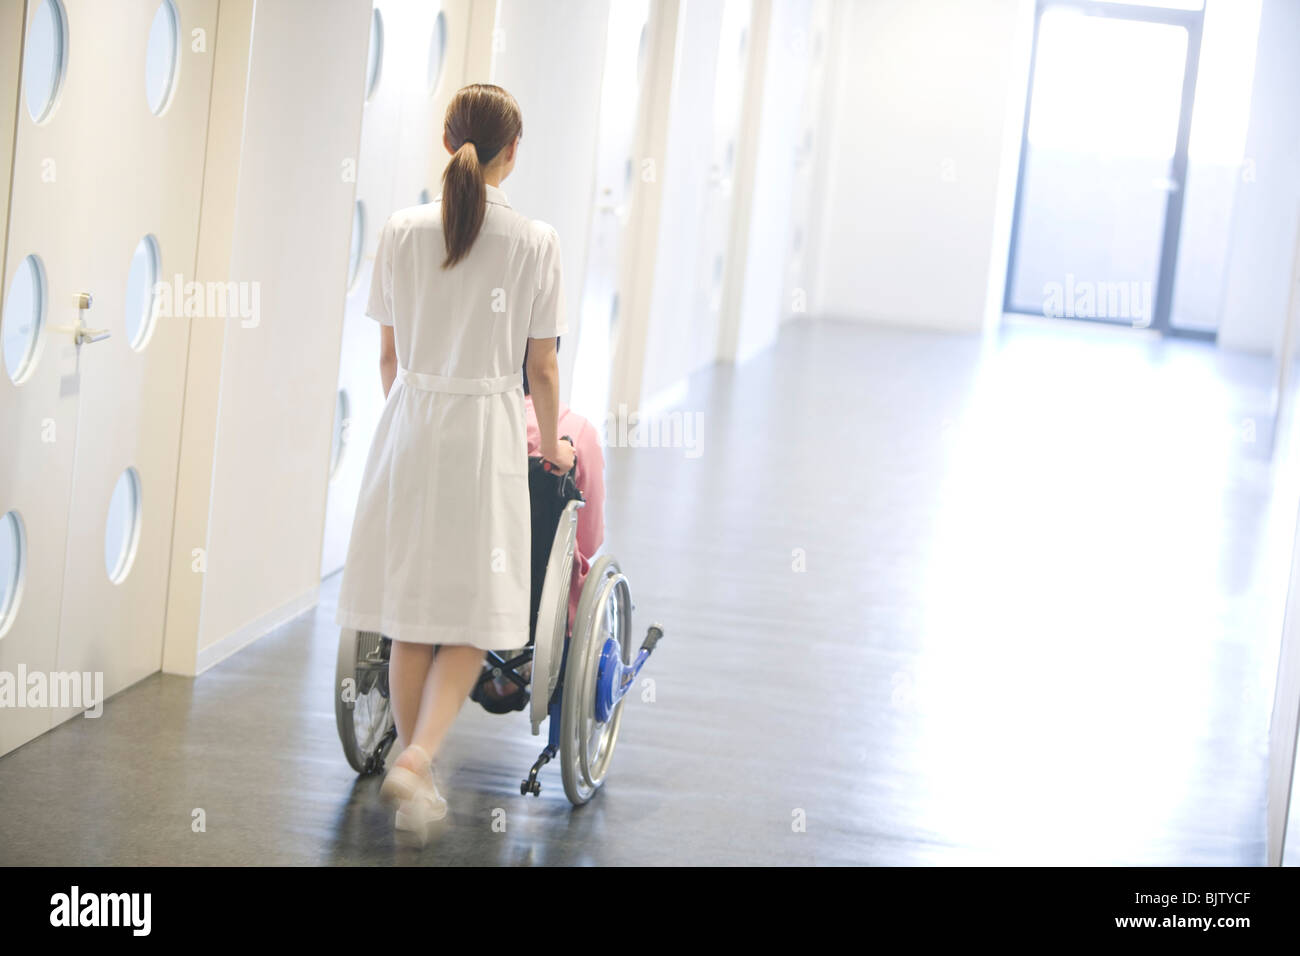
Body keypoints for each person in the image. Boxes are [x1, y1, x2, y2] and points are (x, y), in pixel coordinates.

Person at [334, 84, 574, 843]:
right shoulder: (536, 241)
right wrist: (553, 442)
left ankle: (418, 765)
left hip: (412, 423)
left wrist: (413, 414)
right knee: (474, 614)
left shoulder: (401, 232)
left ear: (447, 142)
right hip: (485, 433)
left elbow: (387, 356)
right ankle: (418, 757)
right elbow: (541, 369)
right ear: (512, 153)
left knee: (410, 612)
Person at [478, 339, 606, 708]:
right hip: (534, 595)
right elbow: (590, 536)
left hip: (453, 582)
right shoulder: (577, 433)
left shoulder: (459, 422)